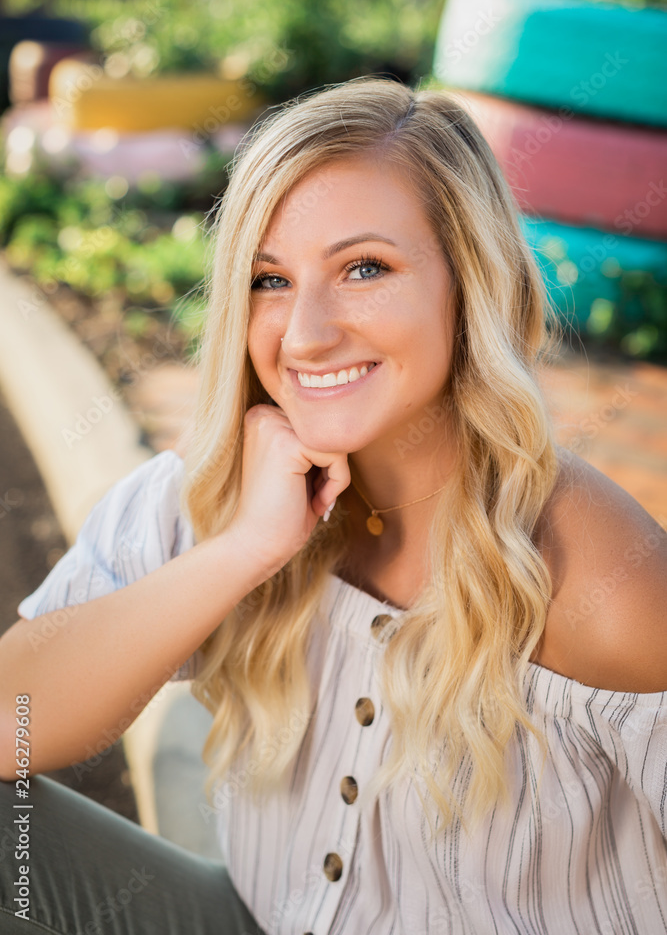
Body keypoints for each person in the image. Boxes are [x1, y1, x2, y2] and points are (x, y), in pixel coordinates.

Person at [1, 75, 666, 935]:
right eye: (270, 279)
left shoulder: (604, 580)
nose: (305, 334)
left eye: (364, 269)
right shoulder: (218, 488)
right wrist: (242, 549)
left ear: (470, 283)